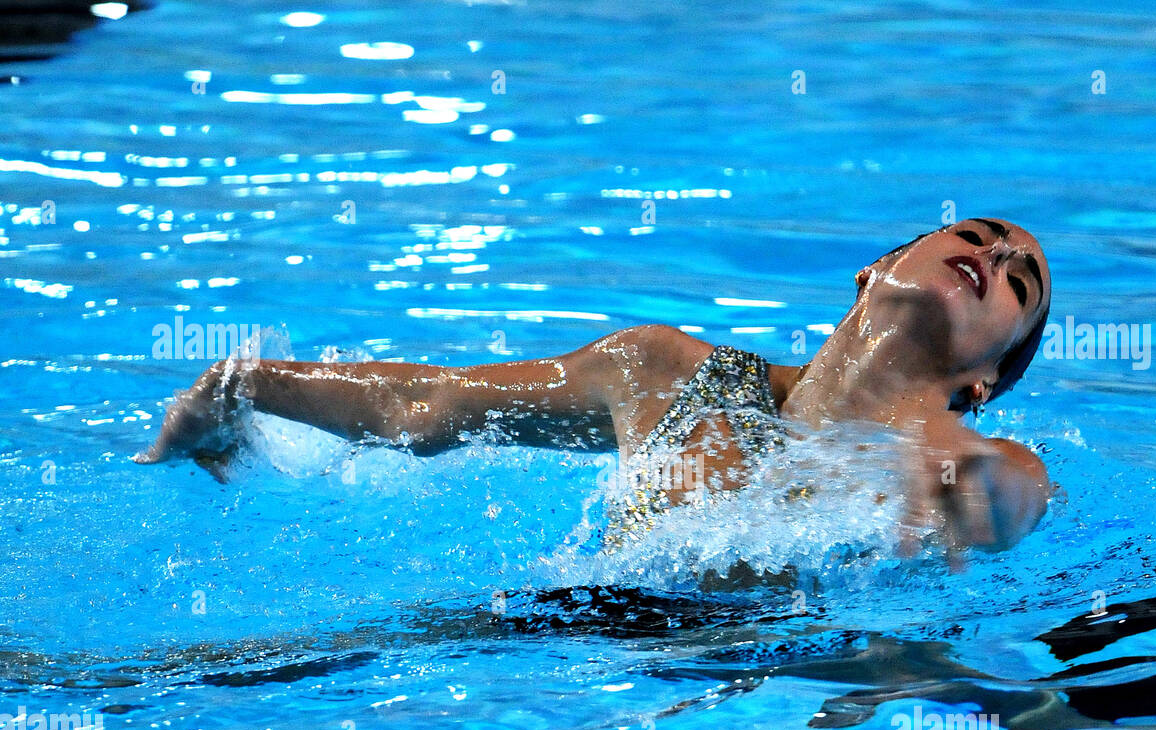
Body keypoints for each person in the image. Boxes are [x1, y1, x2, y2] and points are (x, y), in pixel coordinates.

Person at [135, 217, 1053, 558]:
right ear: (875, 270)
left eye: (1021, 283)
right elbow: (429, 407)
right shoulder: (663, 372)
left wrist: (964, 467)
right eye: (980, 236)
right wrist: (245, 384)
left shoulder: (989, 461)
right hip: (587, 660)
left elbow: (1013, 498)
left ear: (984, 382)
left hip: (810, 729)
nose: (998, 256)